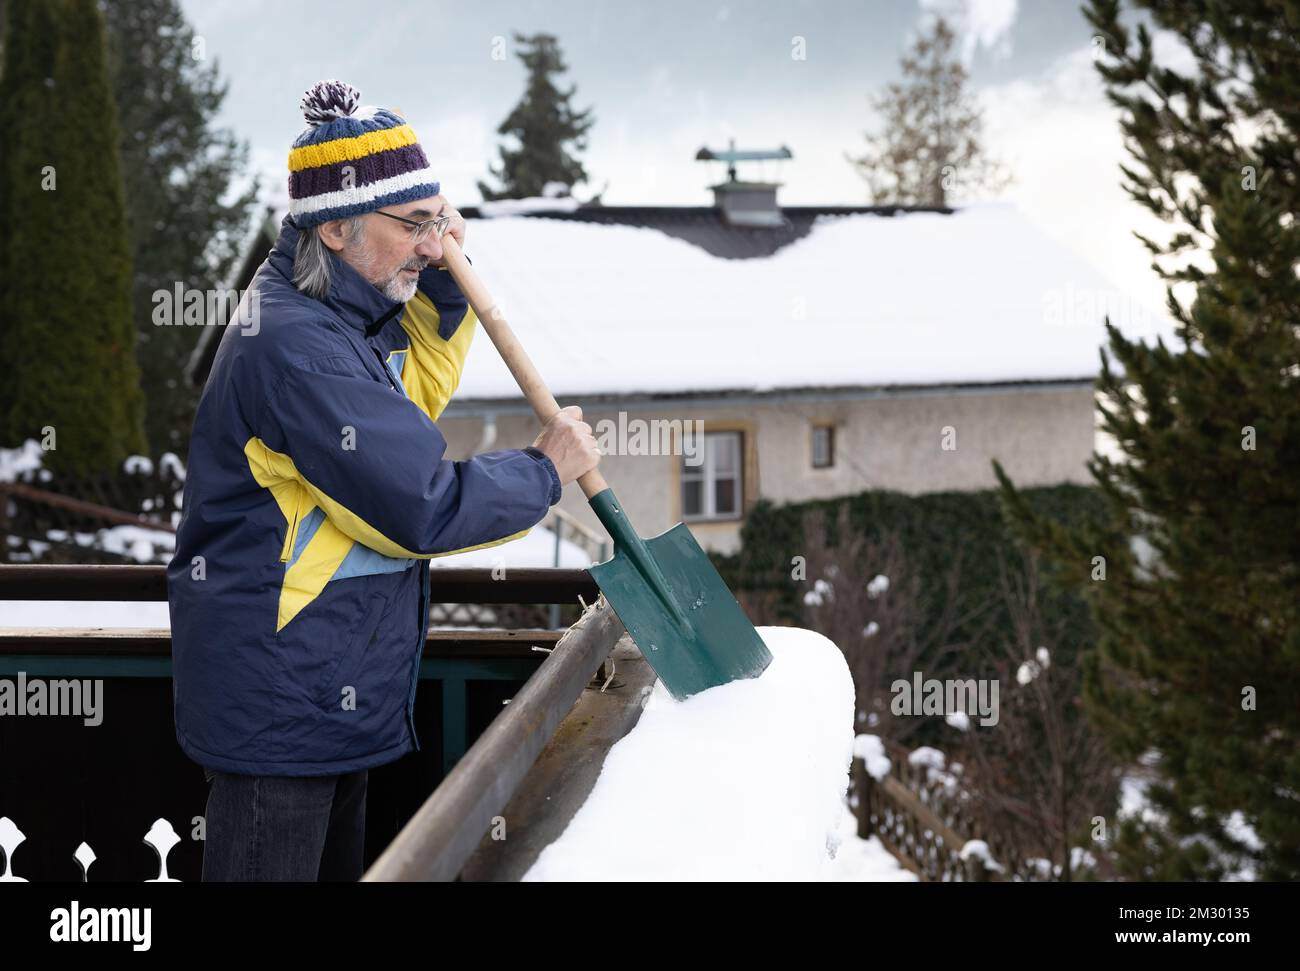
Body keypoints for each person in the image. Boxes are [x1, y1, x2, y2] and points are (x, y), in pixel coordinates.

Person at [166, 79, 601, 881]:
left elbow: (409, 393)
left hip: (327, 693)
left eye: (440, 219)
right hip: (280, 707)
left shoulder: (341, 317)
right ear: (336, 228)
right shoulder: (297, 349)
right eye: (415, 225)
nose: (435, 241)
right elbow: (418, 504)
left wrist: (436, 279)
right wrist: (545, 470)